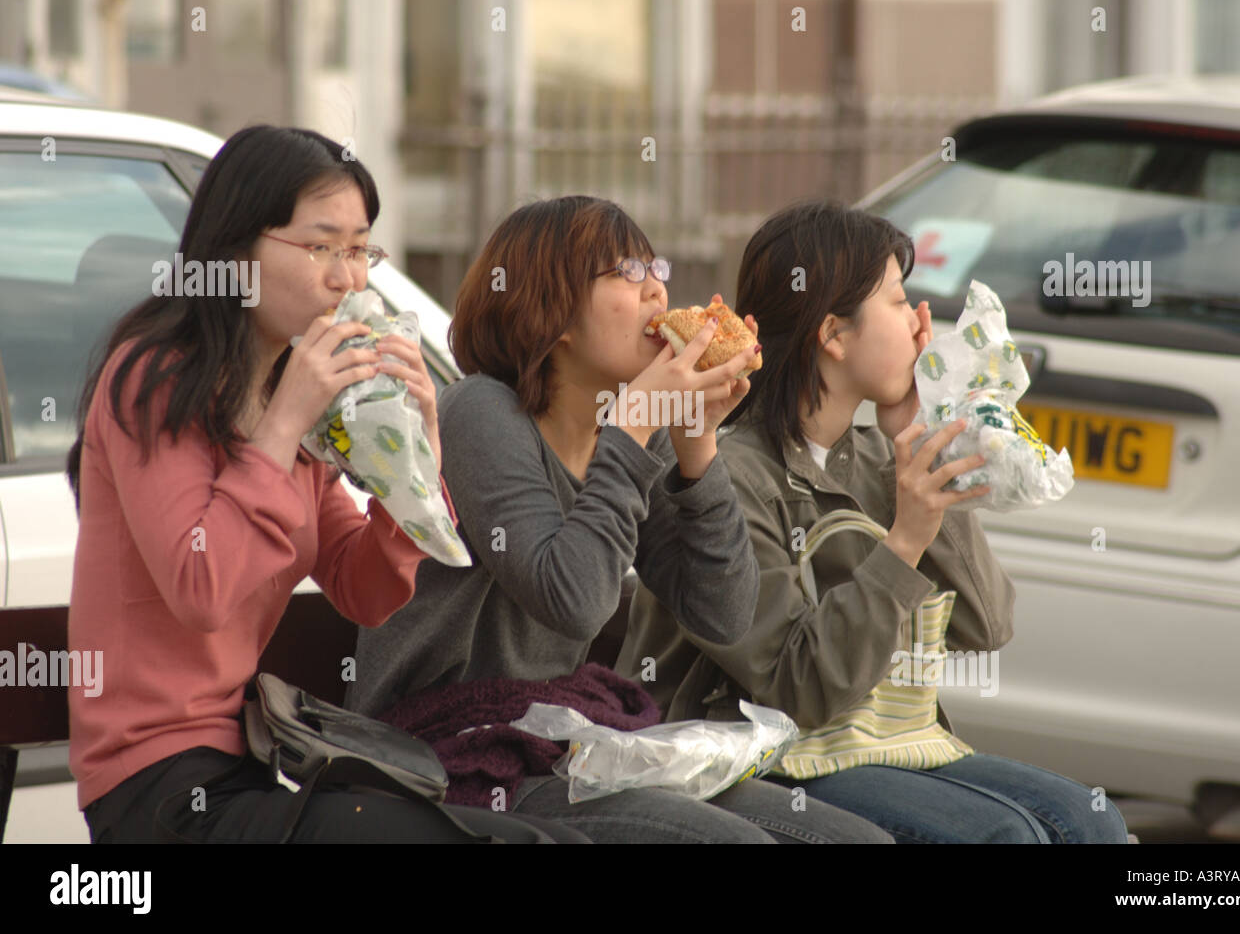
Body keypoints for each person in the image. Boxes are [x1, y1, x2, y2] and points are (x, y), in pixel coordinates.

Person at [65, 125, 585, 843]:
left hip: (251, 765)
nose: (351, 278)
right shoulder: (155, 380)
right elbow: (201, 587)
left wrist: (418, 455)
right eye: (322, 247)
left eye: (361, 248)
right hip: (154, 789)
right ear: (239, 247)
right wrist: (283, 425)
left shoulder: (302, 398)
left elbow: (363, 589)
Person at [346, 195, 893, 843]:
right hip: (441, 750)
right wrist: (634, 426)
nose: (656, 288)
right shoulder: (480, 414)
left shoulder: (636, 431)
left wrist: (697, 449)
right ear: (552, 309)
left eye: (655, 268)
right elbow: (573, 598)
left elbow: (723, 611)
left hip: (551, 740)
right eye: (626, 273)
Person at [618, 201, 1130, 843]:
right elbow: (794, 688)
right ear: (833, 334)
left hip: (885, 741)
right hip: (759, 752)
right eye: (898, 299)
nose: (921, 324)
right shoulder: (733, 472)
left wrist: (920, 446)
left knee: (1091, 819)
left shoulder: (875, 457)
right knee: (1003, 837)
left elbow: (987, 625)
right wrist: (906, 538)